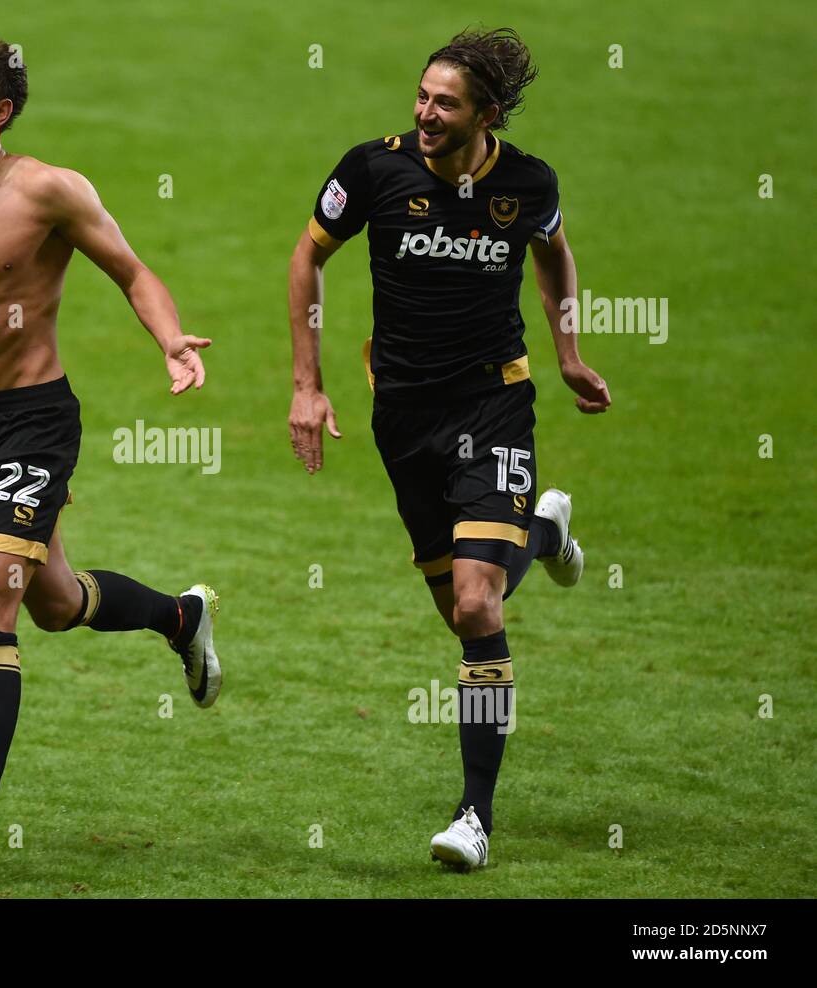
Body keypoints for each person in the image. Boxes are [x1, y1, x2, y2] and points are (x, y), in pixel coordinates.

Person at [0, 31, 223, 872]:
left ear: (1, 113)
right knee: (56, 603)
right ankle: (183, 616)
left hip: (34, 421)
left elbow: (133, 272)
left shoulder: (50, 194)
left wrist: (172, 340)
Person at [286, 28, 610, 870]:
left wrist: (568, 353)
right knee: (462, 611)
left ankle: (474, 816)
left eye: (446, 104)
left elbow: (555, 257)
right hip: (402, 418)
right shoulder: (372, 170)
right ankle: (545, 530)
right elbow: (306, 259)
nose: (426, 114)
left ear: (487, 114)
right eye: (422, 97)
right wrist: (306, 384)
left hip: (493, 403)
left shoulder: (527, 183)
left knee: (477, 607)